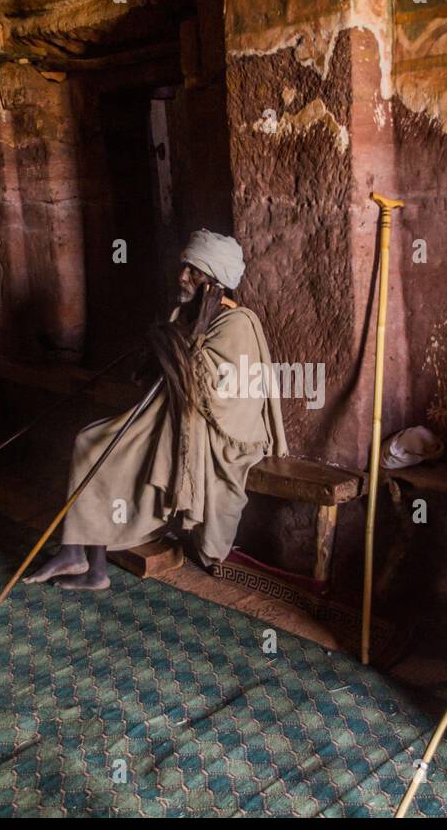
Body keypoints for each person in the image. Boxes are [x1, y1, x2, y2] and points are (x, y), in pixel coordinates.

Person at [24, 230, 288, 590]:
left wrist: (169, 343)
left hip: (210, 433)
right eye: (185, 268)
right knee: (92, 440)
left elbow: (217, 390)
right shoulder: (190, 312)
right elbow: (166, 370)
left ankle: (86, 561)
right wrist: (156, 348)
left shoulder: (237, 323)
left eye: (193, 271)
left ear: (215, 281)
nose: (183, 277)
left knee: (100, 447)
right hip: (172, 417)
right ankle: (82, 558)